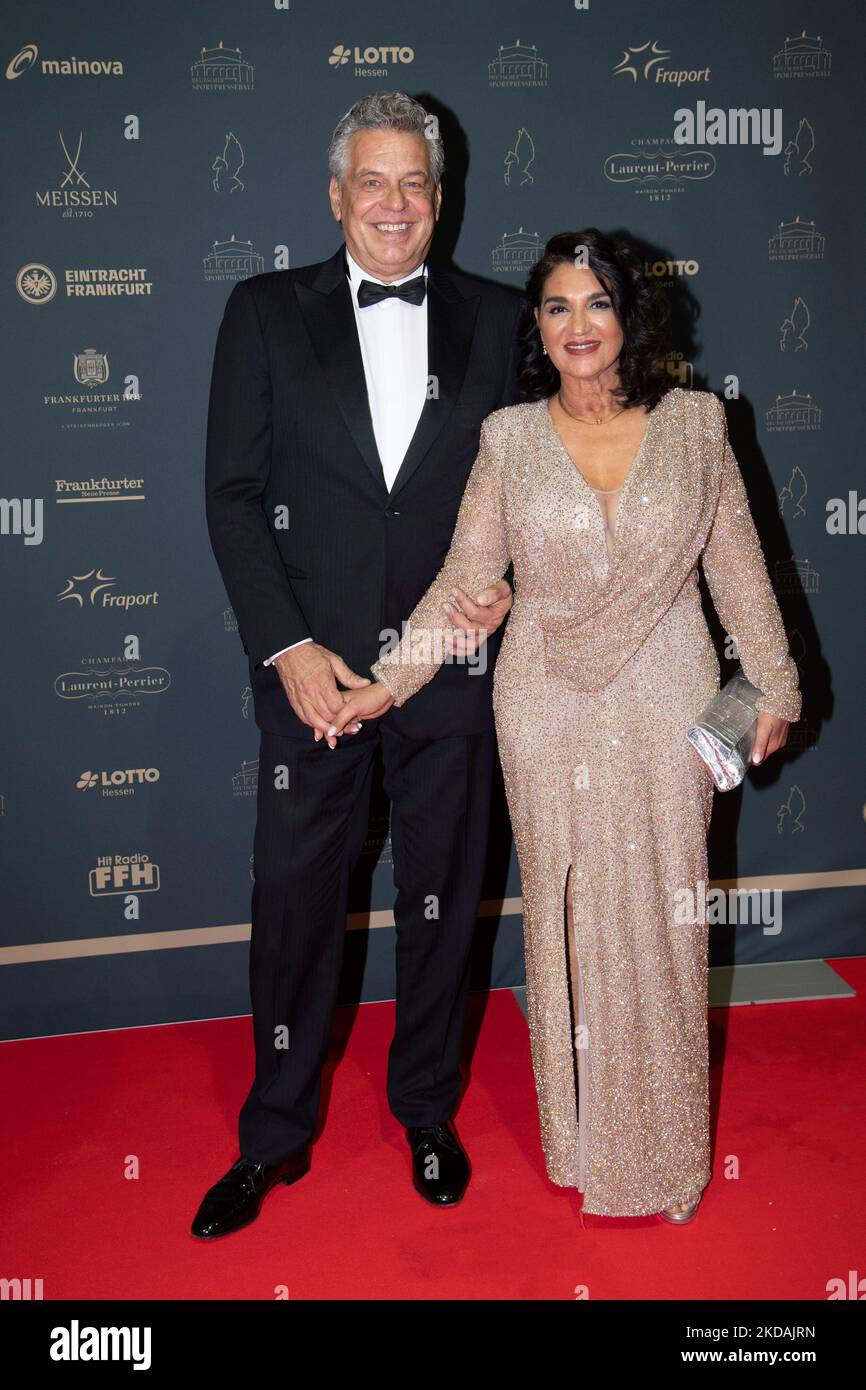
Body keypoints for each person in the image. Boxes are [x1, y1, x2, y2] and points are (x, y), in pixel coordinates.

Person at [330, 228, 802, 1222]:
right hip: (542, 702)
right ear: (535, 327)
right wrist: (384, 685)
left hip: (669, 698)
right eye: (556, 306)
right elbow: (465, 579)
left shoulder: (695, 426)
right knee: (567, 919)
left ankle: (664, 1156)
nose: (577, 325)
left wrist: (774, 690)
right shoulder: (507, 438)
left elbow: (741, 583)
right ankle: (584, 1145)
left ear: (629, 317)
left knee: (663, 921)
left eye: (596, 303)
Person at [194, 92, 523, 1240]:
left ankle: (426, 1109)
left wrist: (502, 593)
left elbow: (529, 496)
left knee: (443, 908)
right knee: (292, 909)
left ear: (442, 200)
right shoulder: (264, 311)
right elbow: (232, 498)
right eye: (372, 182)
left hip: (449, 679)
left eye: (415, 184)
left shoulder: (500, 319)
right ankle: (272, 1135)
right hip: (315, 681)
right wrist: (286, 649)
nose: (394, 203)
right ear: (336, 196)